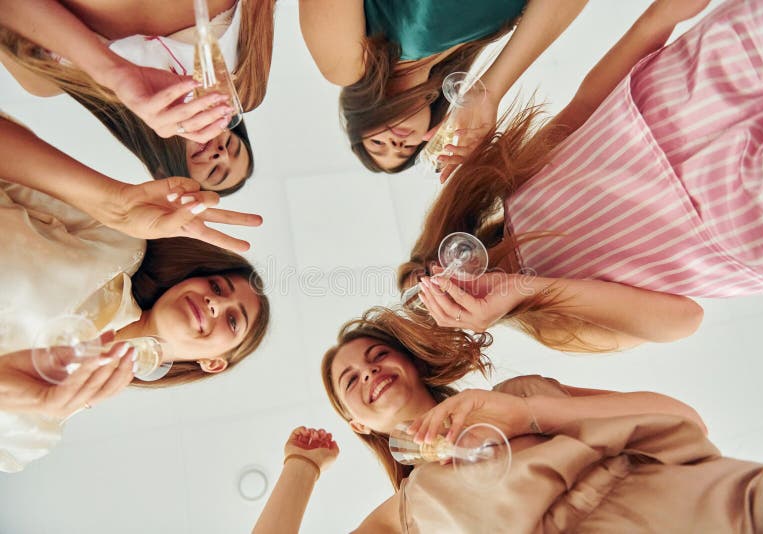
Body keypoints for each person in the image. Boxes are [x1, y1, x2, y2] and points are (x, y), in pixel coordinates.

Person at [398, 0, 763, 351]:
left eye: (426, 276)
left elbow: (586, 103)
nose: (440, 284)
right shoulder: (553, 324)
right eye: (431, 302)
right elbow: (684, 319)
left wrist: (657, 19)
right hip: (736, 220)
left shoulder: (517, 188)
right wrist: (524, 291)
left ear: (440, 248)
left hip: (686, 95)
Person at [270, 306, 763, 533]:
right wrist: (302, 466)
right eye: (350, 380)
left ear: (409, 362)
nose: (369, 372)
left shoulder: (519, 394)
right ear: (357, 424)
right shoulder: (405, 517)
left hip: (713, 502)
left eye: (378, 355)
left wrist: (528, 414)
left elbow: (683, 417)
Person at [0, 116, 270, 472]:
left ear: (214, 363)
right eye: (217, 286)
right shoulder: (119, 246)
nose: (215, 302)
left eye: (233, 321)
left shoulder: (51, 410)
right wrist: (117, 200)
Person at [0, 0, 269, 193]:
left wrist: (111, 71)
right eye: (231, 145)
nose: (221, 154)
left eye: (215, 171)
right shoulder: (233, 46)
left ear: (165, 173)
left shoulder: (48, 79)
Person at [299, 0, 588, 173]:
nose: (395, 144)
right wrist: (488, 92)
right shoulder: (473, 40)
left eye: (377, 144)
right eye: (406, 149)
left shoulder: (345, 65)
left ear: (359, 116)